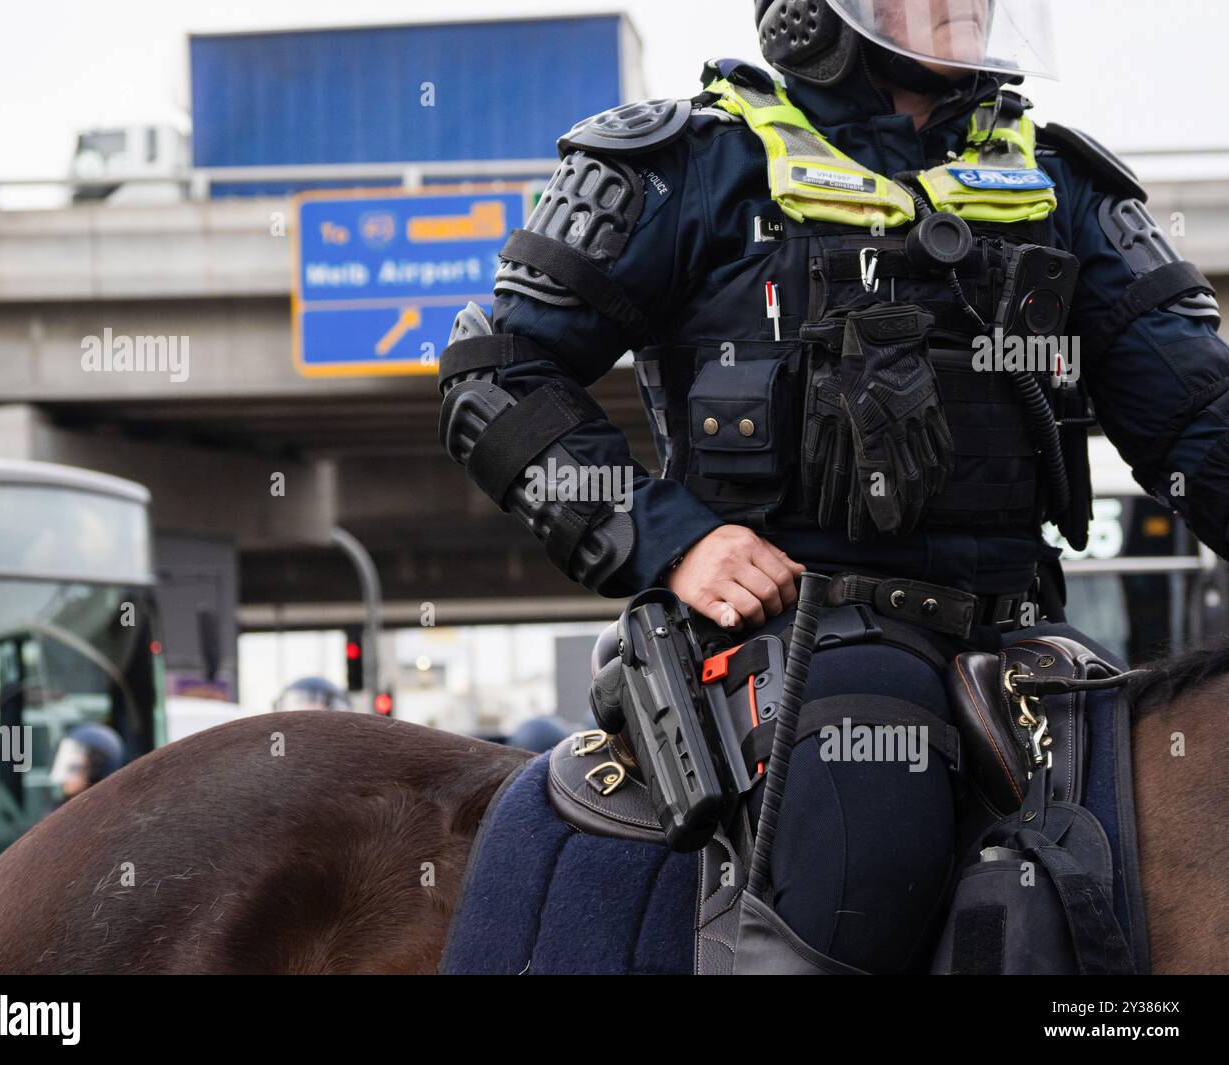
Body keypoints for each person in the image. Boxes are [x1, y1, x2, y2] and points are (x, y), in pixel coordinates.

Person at [438, 0, 1226, 973]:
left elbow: (1197, 415)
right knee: (867, 851)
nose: (960, 12)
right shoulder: (688, 167)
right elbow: (498, 371)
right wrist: (670, 539)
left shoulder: (1061, 185)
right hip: (805, 635)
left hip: (1023, 638)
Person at [51, 723, 126, 802]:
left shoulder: (107, 810)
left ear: (97, 770)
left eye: (74, 768)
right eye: (64, 764)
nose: (65, 777)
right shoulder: (59, 807)